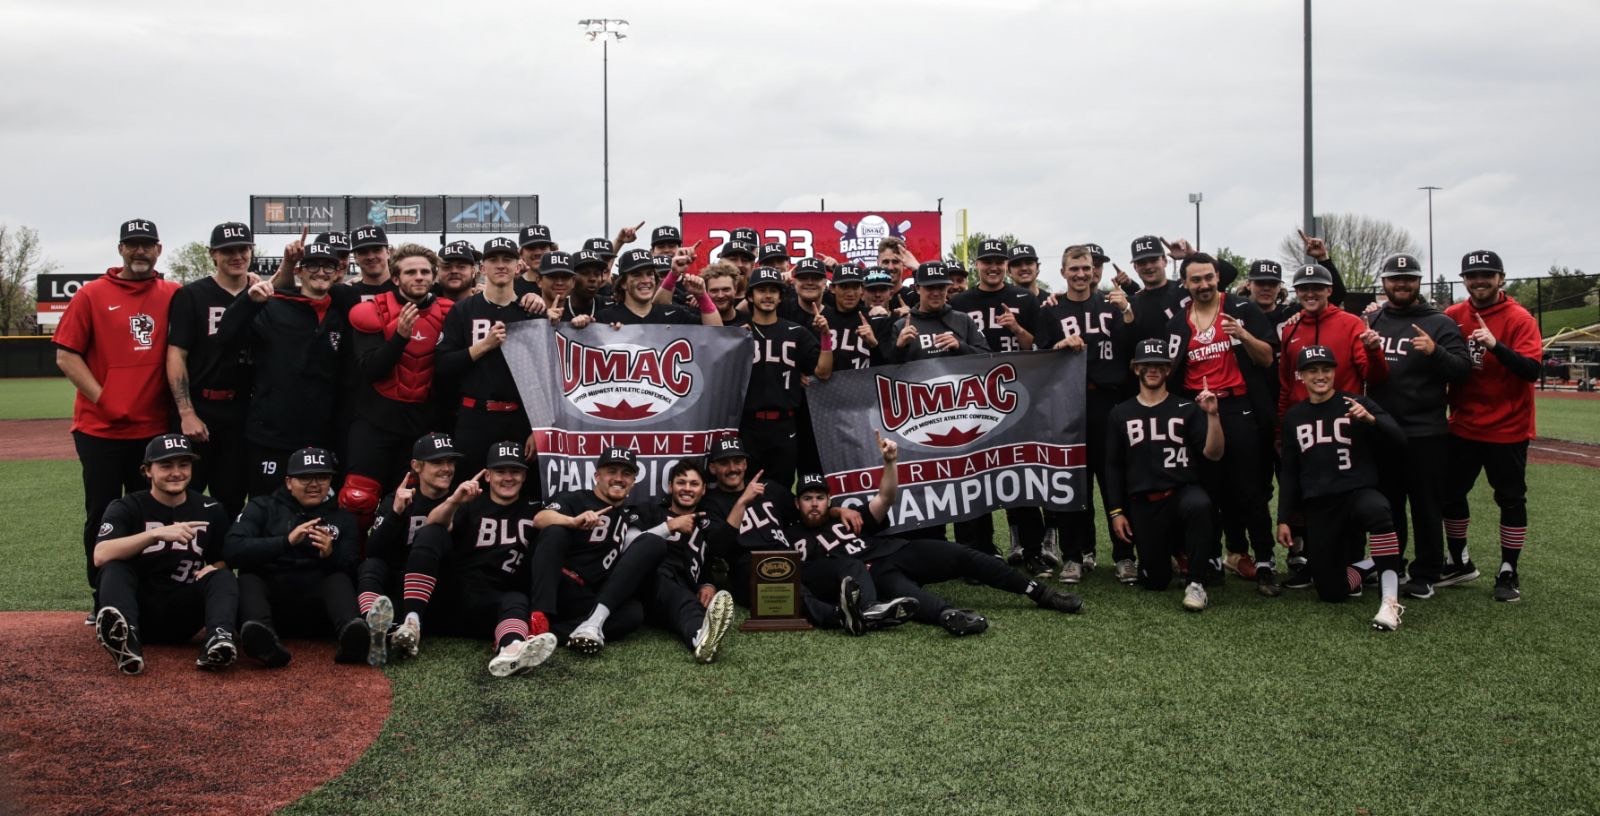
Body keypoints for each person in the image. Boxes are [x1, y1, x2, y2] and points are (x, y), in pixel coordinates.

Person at [782, 438, 1082, 637]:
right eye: (807, 498)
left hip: (894, 550)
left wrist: (890, 463)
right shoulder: (792, 534)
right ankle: (951, 617)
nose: (814, 504)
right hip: (870, 574)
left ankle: (1041, 594)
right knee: (910, 595)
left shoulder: (847, 515)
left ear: (828, 499)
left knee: (963, 555)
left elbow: (884, 499)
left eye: (819, 497)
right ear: (797, 503)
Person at [55, 219, 181, 607]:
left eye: (147, 245)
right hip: (101, 430)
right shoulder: (91, 294)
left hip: (154, 430)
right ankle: (104, 597)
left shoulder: (173, 293)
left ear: (159, 249)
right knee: (103, 515)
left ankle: (148, 593)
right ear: (121, 249)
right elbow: (65, 355)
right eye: (132, 245)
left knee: (152, 516)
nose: (139, 251)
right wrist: (104, 398)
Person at [1164, 254, 1281, 594]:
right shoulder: (1176, 323)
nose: (1203, 285)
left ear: (1218, 277)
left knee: (1251, 491)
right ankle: (1211, 559)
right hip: (1198, 413)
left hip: (1239, 409)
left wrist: (1243, 335)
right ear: (1185, 283)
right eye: (1195, 280)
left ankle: (1264, 562)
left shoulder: (1242, 309)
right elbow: (1172, 375)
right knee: (1207, 491)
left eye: (1208, 278)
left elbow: (1267, 358)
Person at [388, 441, 557, 676]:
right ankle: (412, 621)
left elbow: (552, 522)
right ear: (487, 476)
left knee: (516, 600)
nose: (508, 478)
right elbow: (433, 522)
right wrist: (455, 500)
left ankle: (511, 648)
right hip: (453, 595)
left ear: (525, 475)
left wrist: (572, 520)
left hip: (493, 603)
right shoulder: (471, 503)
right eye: (500, 471)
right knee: (432, 532)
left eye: (515, 471)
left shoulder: (533, 508)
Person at [1363, 253, 1472, 599]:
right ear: (1384, 283)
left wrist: (1435, 351)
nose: (1402, 284)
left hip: (1425, 432)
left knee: (1426, 505)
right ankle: (1392, 565)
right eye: (1395, 279)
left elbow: (1462, 370)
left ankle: (1426, 571)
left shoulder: (1439, 323)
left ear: (1418, 282)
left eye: (1408, 278)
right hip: (1383, 429)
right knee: (1389, 505)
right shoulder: (1374, 319)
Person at [1277, 346, 1408, 630]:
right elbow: (1289, 472)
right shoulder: (1294, 417)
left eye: (1326, 369)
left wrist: (1371, 420)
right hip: (1321, 503)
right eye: (1313, 370)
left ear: (1335, 372)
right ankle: (1375, 562)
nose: (1320, 376)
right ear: (1301, 376)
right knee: (1331, 592)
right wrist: (1284, 517)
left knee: (1378, 511)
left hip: (1357, 492)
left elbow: (1400, 439)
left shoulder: (1356, 403)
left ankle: (1389, 601)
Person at [562, 460, 739, 662]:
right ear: (670, 486)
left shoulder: (706, 524)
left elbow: (712, 555)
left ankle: (553, 632)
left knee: (642, 613)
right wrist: (669, 526)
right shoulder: (650, 510)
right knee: (665, 571)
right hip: (646, 577)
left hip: (677, 588)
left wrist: (708, 583)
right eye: (681, 483)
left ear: (703, 489)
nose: (687, 489)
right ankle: (700, 635)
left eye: (694, 484)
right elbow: (630, 545)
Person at [1440, 250, 1542, 602]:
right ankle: (1459, 560)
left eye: (1486, 274)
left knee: (1511, 499)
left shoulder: (1519, 318)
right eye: (1472, 275)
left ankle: (1508, 569)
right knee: (1450, 494)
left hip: (1507, 428)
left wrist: (1496, 345)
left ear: (1501, 278)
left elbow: (1532, 370)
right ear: (1464, 279)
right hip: (1464, 424)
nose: (1479, 280)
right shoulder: (1454, 315)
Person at [218, 239, 356, 498]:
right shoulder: (272, 307)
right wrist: (248, 302)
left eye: (329, 266)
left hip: (323, 435)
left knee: (320, 512)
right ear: (299, 271)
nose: (321, 272)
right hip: (273, 435)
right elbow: (226, 335)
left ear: (339, 272)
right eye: (313, 265)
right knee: (266, 508)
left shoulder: (344, 314)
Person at [91, 434, 238, 674]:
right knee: (114, 568)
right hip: (138, 609)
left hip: (183, 611)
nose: (176, 472)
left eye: (184, 464)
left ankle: (218, 640)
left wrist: (216, 568)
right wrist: (155, 535)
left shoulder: (210, 509)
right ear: (147, 470)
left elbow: (221, 559)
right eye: (166, 465)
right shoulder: (127, 506)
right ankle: (126, 641)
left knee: (224, 577)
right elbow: (101, 554)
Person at [697, 436, 873, 632]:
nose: (732, 468)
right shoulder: (710, 503)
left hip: (792, 560)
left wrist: (837, 511)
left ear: (745, 464)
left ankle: (868, 613)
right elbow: (718, 547)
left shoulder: (769, 488)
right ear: (712, 468)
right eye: (724, 463)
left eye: (737, 461)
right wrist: (742, 502)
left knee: (853, 566)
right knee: (791, 587)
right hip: (750, 570)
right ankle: (837, 617)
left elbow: (805, 510)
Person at [1034, 245, 1135, 582]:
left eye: (1086, 268)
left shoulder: (1112, 304)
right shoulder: (1051, 309)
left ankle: (1124, 555)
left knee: (1114, 482)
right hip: (1069, 405)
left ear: (1095, 271)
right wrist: (1060, 347)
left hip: (1109, 403)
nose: (1081, 274)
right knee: (1073, 484)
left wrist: (1129, 311)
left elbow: (1134, 347)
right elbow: (1040, 360)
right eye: (1073, 268)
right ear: (1062, 272)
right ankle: (1075, 555)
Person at [1104, 339, 1224, 610]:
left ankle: (1196, 582)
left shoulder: (1187, 409)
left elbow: (1214, 454)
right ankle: (1172, 552)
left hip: (1182, 491)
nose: (1153, 370)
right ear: (1136, 369)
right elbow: (1112, 466)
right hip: (1145, 501)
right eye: (1146, 365)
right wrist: (1116, 512)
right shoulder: (1120, 413)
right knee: (1155, 581)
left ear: (1168, 370)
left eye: (1159, 365)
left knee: (1200, 504)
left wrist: (1213, 416)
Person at [343, 244, 456, 531]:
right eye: (410, 272)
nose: (418, 277)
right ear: (395, 278)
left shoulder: (450, 313)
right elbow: (371, 370)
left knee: (413, 503)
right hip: (375, 420)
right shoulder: (372, 310)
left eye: (424, 272)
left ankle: (402, 568)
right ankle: (355, 566)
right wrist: (400, 338)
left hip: (422, 423)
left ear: (434, 277)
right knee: (359, 499)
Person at [225, 447, 368, 666]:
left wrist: (330, 554)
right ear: (289, 482)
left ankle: (353, 637)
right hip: (272, 604)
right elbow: (233, 550)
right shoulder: (261, 507)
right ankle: (263, 640)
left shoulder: (343, 517)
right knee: (248, 579)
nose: (314, 484)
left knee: (339, 578)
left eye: (322, 477)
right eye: (305, 477)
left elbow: (352, 566)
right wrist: (286, 542)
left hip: (319, 613)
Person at [952, 238, 1045, 570]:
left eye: (998, 261)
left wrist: (1017, 328)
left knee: (1019, 472)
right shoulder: (960, 301)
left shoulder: (1024, 298)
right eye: (986, 261)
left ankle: (1032, 550)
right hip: (972, 399)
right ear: (976, 265)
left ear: (1006, 265)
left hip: (1016, 394)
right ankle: (977, 551)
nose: (993, 267)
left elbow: (1041, 348)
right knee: (974, 474)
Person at [166, 221, 257, 517]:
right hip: (202, 406)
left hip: (242, 410)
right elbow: (176, 354)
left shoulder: (262, 295)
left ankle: (223, 562)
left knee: (231, 498)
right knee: (184, 498)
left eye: (242, 249)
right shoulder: (192, 295)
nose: (237, 256)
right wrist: (186, 412)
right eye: (227, 250)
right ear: (212, 255)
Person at [436, 244, 546, 481]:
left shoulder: (530, 312)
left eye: (507, 259)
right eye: (493, 259)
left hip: (518, 420)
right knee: (469, 491)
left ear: (518, 266)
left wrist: (538, 429)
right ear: (482, 267)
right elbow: (443, 365)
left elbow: (544, 377)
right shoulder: (462, 311)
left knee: (519, 492)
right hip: (474, 417)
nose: (500, 265)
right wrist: (484, 345)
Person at [353, 432, 461, 664]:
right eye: (437, 462)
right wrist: (395, 514)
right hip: (398, 587)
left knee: (433, 532)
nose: (446, 468)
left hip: (437, 591)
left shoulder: (459, 501)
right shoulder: (398, 498)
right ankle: (376, 629)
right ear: (417, 466)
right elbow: (373, 551)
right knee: (372, 565)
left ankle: (412, 623)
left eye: (450, 461)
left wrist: (454, 503)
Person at [527, 448, 651, 646]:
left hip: (586, 594)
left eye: (626, 474)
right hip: (556, 583)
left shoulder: (630, 513)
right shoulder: (575, 498)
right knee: (554, 531)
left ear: (633, 482)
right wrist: (572, 521)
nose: (619, 478)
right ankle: (540, 617)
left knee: (633, 612)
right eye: (611, 471)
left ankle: (549, 636)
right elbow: (540, 519)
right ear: (597, 476)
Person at [740, 266, 834, 486]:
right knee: (747, 489)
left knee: (781, 490)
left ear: (781, 296)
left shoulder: (796, 332)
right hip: (748, 424)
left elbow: (823, 372)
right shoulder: (740, 332)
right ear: (750, 296)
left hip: (785, 423)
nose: (768, 296)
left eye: (773, 290)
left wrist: (825, 336)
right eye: (761, 290)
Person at [348, 225, 398, 301]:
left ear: (388, 252)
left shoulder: (405, 289)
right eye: (363, 252)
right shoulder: (346, 294)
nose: (370, 257)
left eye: (376, 250)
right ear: (355, 257)